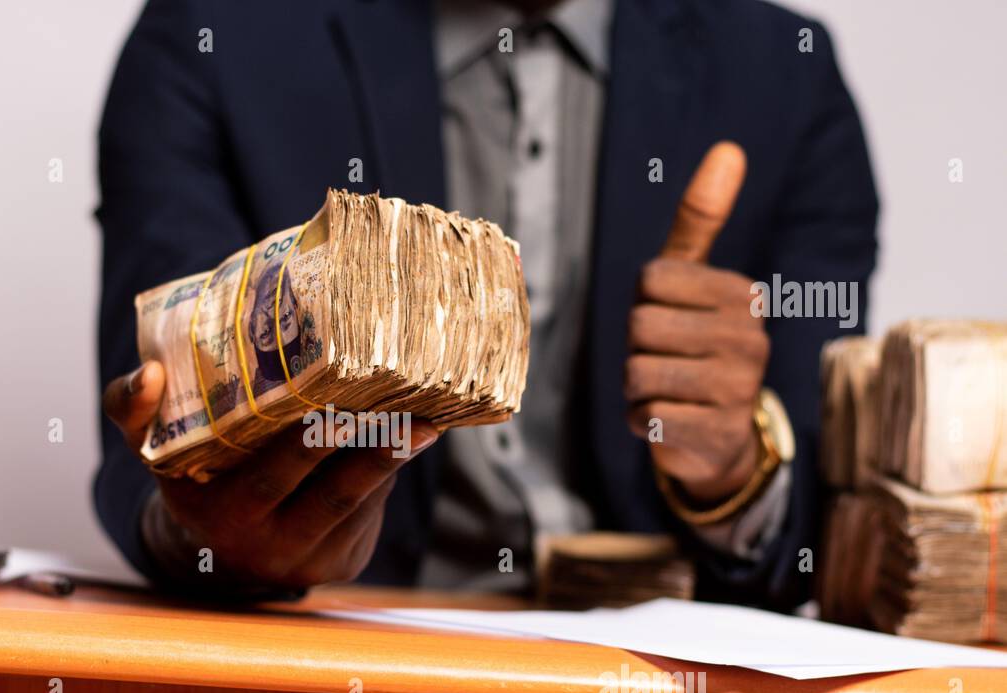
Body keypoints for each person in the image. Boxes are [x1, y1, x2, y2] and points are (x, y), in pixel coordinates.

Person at [94, 0, 879, 607]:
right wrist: (217, 540)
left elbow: (823, 521)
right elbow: (153, 430)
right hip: (336, 664)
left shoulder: (788, 78)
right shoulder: (210, 36)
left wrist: (735, 472)